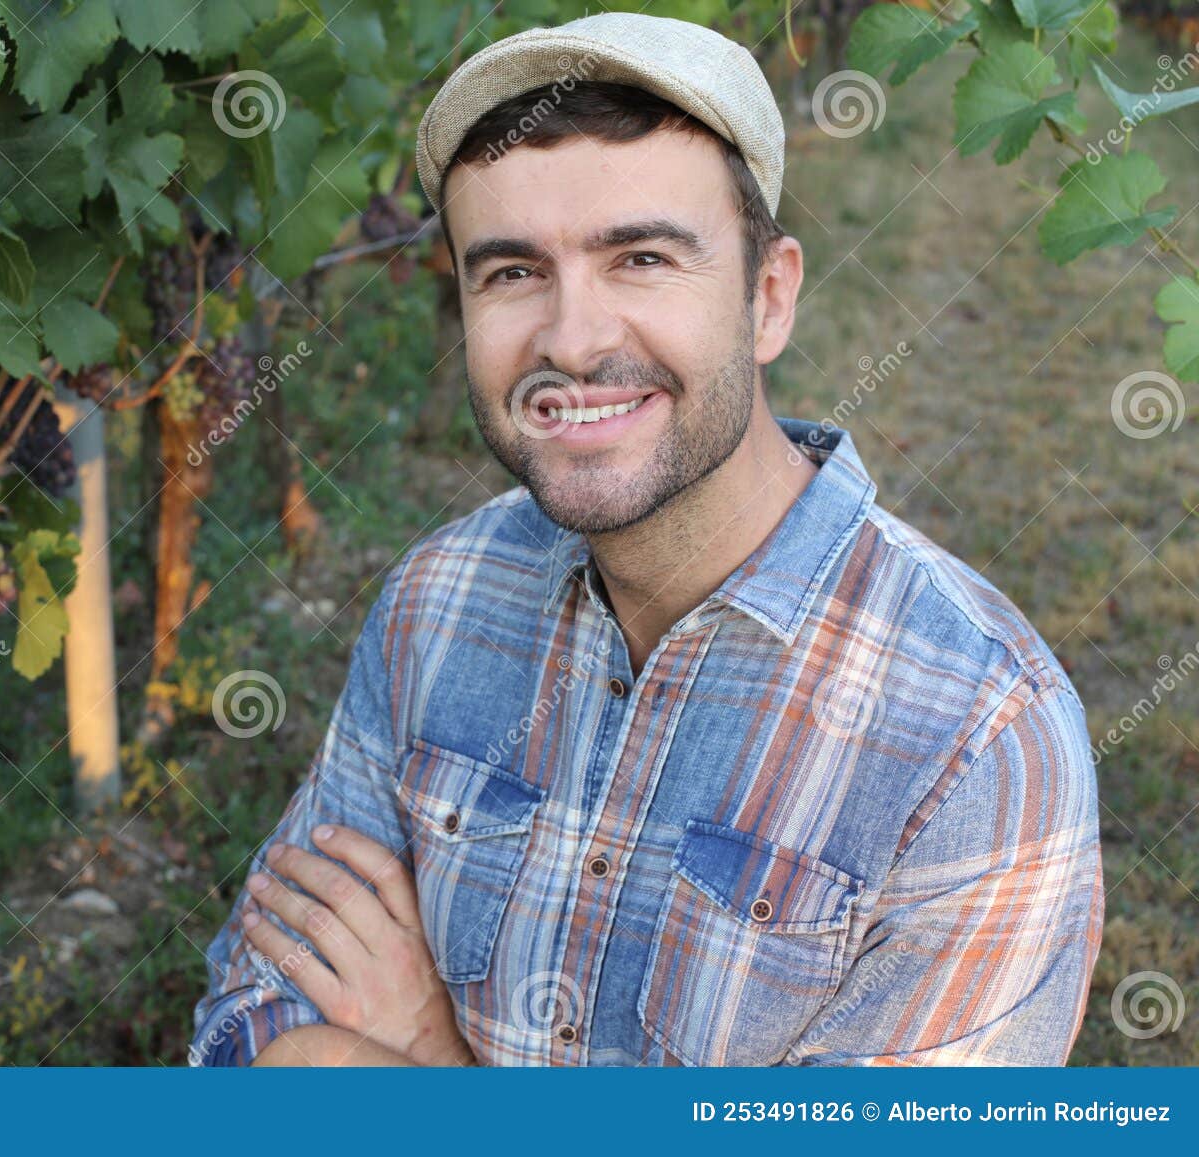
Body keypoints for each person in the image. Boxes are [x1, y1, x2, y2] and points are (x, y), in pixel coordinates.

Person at [190, 11, 1103, 1067]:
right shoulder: (434, 605)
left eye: (641, 257)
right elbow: (259, 1022)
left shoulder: (979, 739)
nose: (572, 341)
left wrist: (430, 1067)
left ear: (768, 299)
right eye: (512, 273)